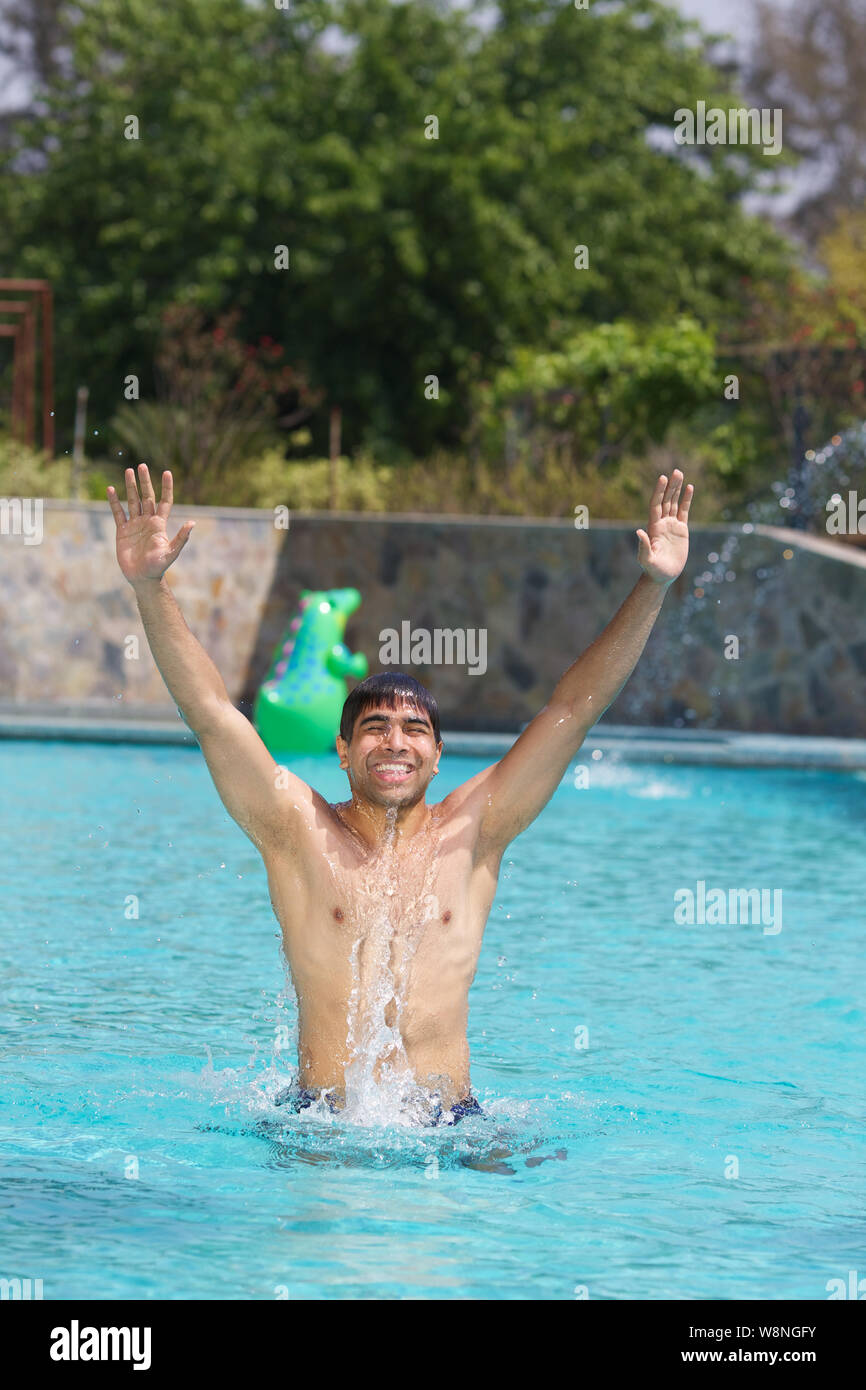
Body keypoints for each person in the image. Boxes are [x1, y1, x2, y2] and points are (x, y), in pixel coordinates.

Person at [108, 465, 693, 1125]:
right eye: (374, 728)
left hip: (450, 1128)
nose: (394, 742)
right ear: (342, 748)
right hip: (322, 1124)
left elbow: (574, 707)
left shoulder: (476, 831)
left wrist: (653, 584)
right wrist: (150, 587)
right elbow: (212, 713)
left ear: (438, 756)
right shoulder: (296, 830)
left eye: (414, 729)